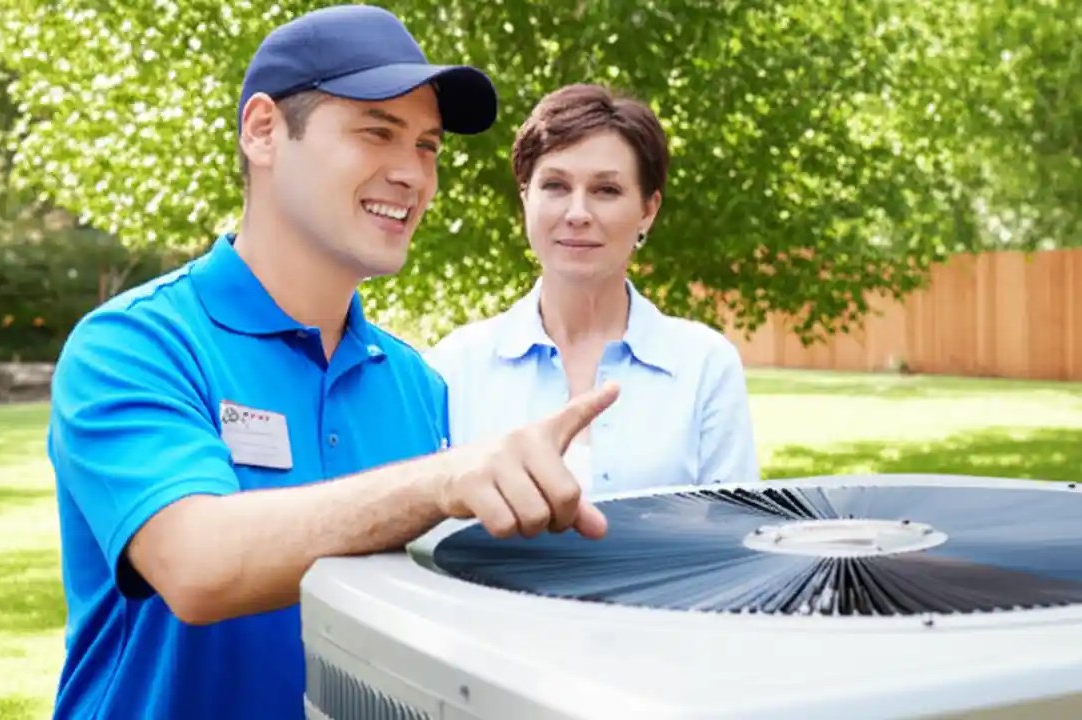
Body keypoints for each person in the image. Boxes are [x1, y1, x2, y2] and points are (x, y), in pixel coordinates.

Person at [45, 7, 617, 720]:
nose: (412, 174)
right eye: (376, 132)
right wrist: (444, 481)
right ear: (263, 131)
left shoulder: (414, 386)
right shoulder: (135, 347)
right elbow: (198, 567)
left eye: (428, 146)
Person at [425, 84, 760, 497]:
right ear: (526, 197)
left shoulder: (705, 367)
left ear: (648, 211)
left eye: (606, 190)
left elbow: (735, 543)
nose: (578, 213)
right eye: (555, 186)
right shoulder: (456, 366)